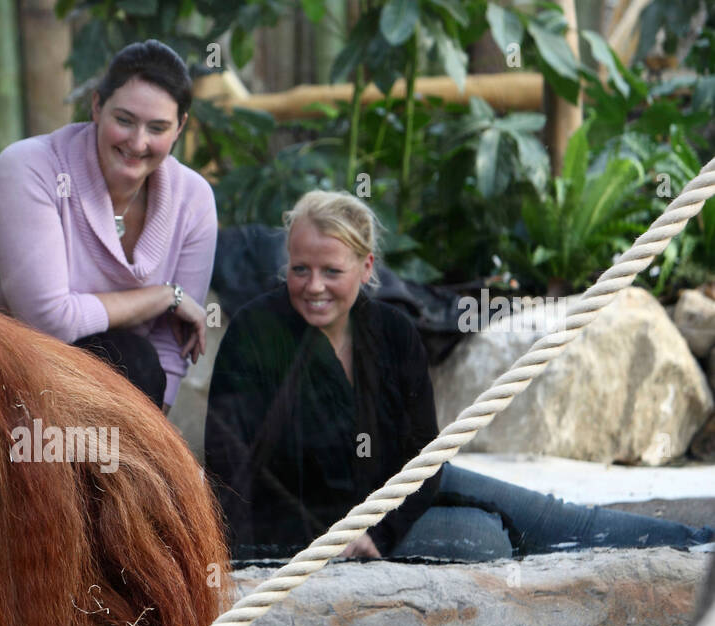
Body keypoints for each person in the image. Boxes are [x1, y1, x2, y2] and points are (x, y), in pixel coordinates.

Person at [205, 190, 714, 562]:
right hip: (299, 531)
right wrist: (330, 538)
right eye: (300, 269)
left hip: (391, 496)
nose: (313, 286)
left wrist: (381, 533)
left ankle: (699, 543)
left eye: (331, 271)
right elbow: (233, 471)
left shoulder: (393, 331)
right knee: (483, 538)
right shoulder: (256, 333)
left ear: (365, 267)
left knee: (556, 515)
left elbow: (422, 456)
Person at [0, 40, 214, 413]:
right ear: (97, 106)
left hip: (117, 382)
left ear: (180, 127)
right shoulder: (30, 168)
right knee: (122, 358)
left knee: (134, 362)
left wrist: (153, 441)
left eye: (157, 127)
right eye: (124, 120)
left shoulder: (195, 199)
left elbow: (172, 346)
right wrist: (164, 296)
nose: (137, 142)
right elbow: (47, 321)